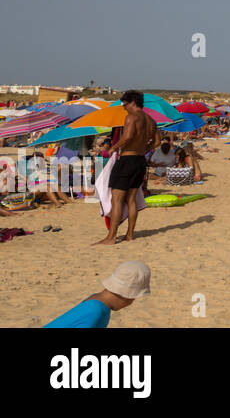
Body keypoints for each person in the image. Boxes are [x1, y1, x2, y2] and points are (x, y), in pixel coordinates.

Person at [95, 91, 160, 245]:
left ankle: (111, 237)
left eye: (124, 104)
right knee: (131, 200)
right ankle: (129, 235)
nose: (124, 108)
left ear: (132, 102)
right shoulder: (151, 120)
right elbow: (157, 142)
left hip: (127, 160)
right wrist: (144, 149)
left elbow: (128, 136)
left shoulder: (131, 117)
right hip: (140, 161)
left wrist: (113, 148)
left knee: (116, 199)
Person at [44, 261, 151, 327]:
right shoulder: (96, 312)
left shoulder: (95, 300)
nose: (131, 302)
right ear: (128, 296)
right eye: (133, 298)